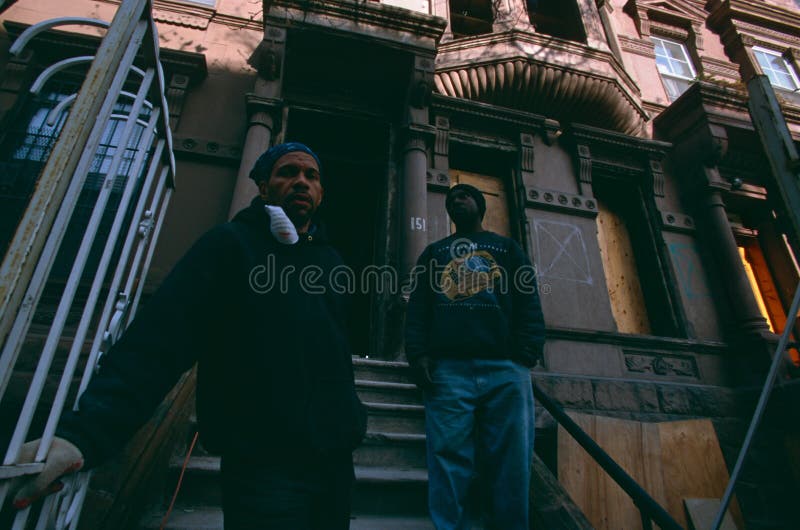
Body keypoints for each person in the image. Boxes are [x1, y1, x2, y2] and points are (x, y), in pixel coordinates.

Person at [12, 142, 367, 530]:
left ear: (321, 192)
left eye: (311, 176)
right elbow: (159, 342)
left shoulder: (330, 261)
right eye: (287, 172)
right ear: (263, 188)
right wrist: (85, 436)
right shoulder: (228, 246)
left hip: (333, 465)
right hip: (264, 468)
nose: (301, 181)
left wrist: (348, 422)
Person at [404, 183, 545, 530]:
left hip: (505, 369)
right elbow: (419, 308)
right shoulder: (435, 253)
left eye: (464, 195)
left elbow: (528, 302)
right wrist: (418, 354)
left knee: (512, 460)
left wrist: (526, 351)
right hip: (449, 370)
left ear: (480, 205)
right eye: (451, 199)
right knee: (448, 458)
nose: (456, 200)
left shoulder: (507, 248)